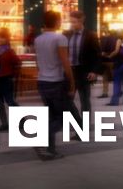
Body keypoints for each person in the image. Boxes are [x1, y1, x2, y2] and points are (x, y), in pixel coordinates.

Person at [34, 10, 74, 161]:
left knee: (52, 116)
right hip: (56, 82)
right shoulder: (60, 38)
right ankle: (41, 141)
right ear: (57, 22)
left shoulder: (38, 39)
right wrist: (72, 82)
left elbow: (38, 62)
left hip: (42, 81)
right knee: (62, 118)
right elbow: (65, 62)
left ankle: (50, 150)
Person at [64, 11, 101, 128]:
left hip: (84, 72)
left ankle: (84, 127)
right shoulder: (66, 34)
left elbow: (97, 55)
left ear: (81, 21)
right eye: (71, 21)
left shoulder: (90, 35)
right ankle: (78, 124)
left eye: (74, 22)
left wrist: (94, 71)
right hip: (70, 72)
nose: (72, 24)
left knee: (85, 101)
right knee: (66, 100)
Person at [0, 28, 21, 131]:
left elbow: (17, 63)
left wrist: (14, 76)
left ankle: (21, 120)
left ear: (7, 39)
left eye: (2, 37)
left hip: (6, 79)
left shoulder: (9, 51)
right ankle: (4, 123)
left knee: (10, 101)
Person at [105, 30, 123, 106]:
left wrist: (109, 56)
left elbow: (116, 51)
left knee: (117, 81)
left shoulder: (119, 40)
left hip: (121, 62)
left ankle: (115, 101)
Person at [98, 26, 116, 99]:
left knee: (108, 76)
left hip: (107, 59)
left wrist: (103, 53)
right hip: (108, 59)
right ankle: (105, 92)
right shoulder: (112, 38)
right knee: (106, 77)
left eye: (103, 29)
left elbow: (101, 48)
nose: (102, 30)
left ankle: (106, 92)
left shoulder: (105, 38)